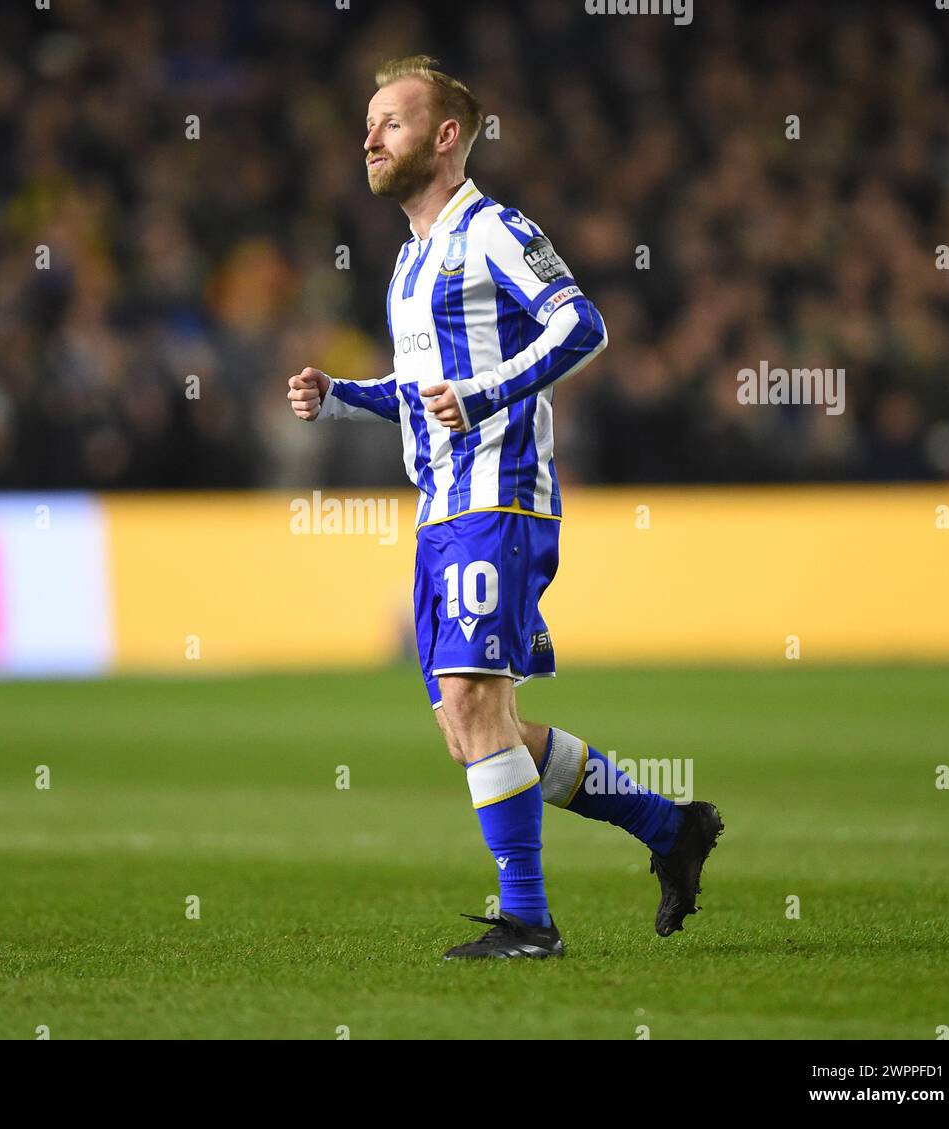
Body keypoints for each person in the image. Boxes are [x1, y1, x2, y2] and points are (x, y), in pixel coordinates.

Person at [287, 55, 722, 959]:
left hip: (500, 500)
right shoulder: (410, 263)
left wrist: (486, 396)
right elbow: (420, 388)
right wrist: (339, 394)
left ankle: (528, 918)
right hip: (441, 510)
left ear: (446, 138)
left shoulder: (494, 229)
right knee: (471, 725)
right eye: (367, 125)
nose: (369, 138)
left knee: (478, 705)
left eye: (391, 123)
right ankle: (670, 828)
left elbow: (582, 324)